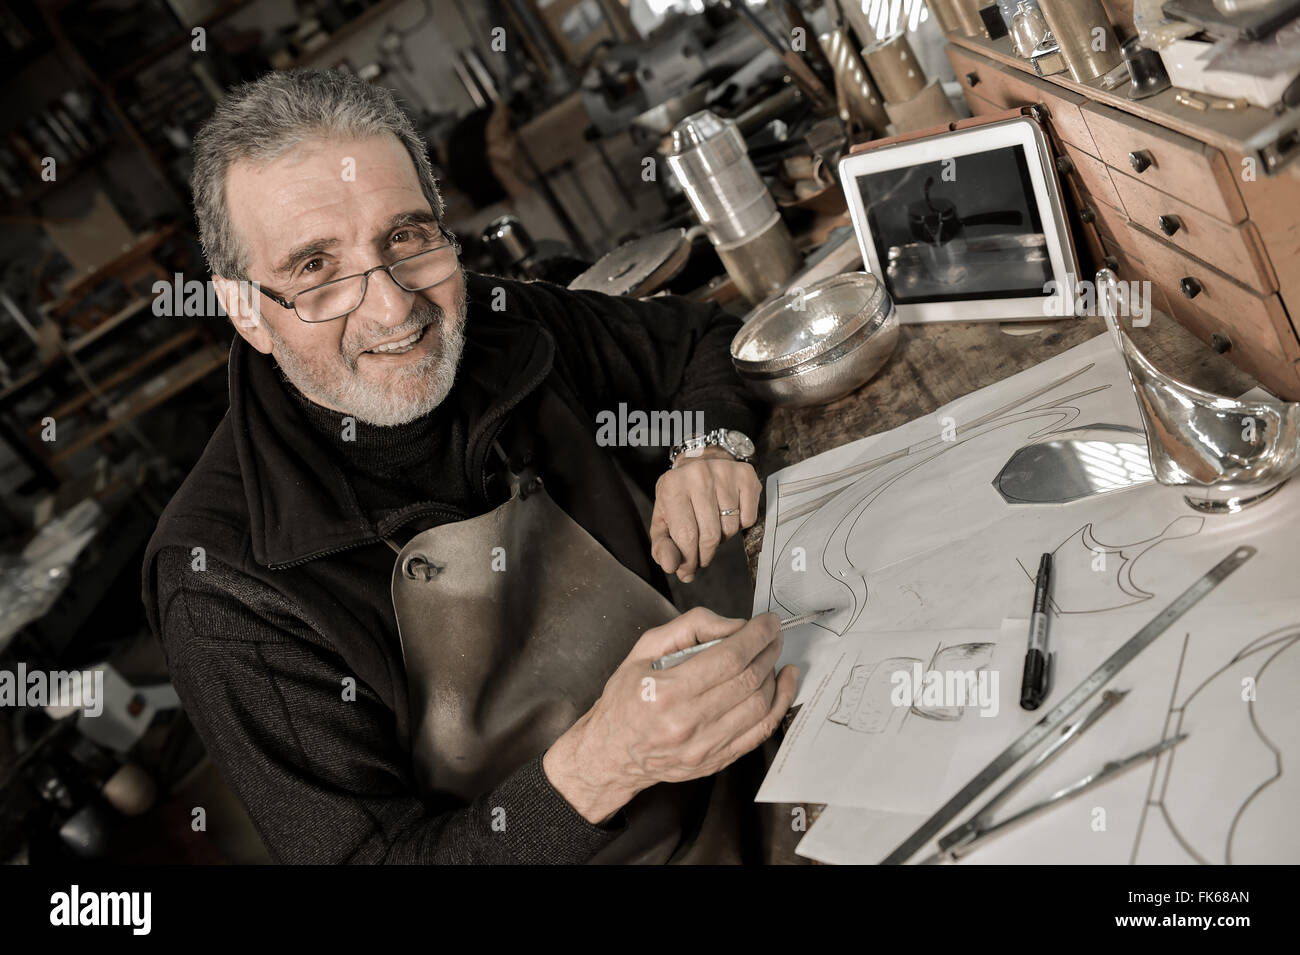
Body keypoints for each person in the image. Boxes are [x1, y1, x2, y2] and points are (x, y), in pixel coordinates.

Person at [141, 69, 797, 863]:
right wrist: (604, 763)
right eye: (316, 269)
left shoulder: (501, 321)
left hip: (770, 757)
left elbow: (696, 342)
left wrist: (708, 444)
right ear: (245, 308)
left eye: (407, 238)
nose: (391, 307)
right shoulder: (222, 580)